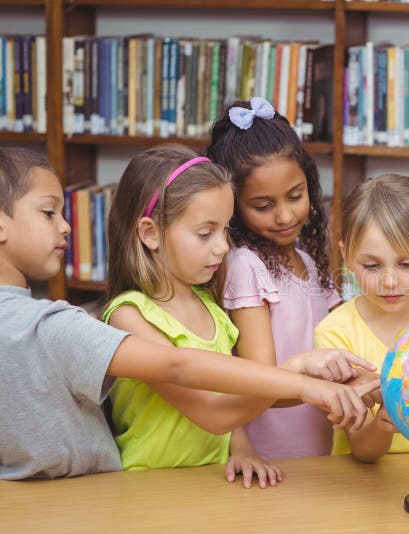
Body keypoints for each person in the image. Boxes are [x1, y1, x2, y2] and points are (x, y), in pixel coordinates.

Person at [0, 146, 378, 482]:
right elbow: (209, 407)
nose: (222, 247)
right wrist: (297, 376)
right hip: (148, 487)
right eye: (205, 234)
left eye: (226, 230)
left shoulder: (212, 308)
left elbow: (226, 402)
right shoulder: (129, 315)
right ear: (150, 234)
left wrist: (242, 448)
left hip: (207, 483)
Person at [207, 98, 343, 460]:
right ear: (234, 206)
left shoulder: (306, 260)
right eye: (264, 206)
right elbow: (260, 383)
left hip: (319, 450)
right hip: (272, 457)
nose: (285, 216)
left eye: (296, 196)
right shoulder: (245, 266)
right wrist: (321, 389)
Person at [313, 175, 409, 465]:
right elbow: (363, 451)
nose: (390, 281)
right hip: (364, 487)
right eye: (372, 265)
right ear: (347, 257)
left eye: (406, 264)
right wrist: (386, 420)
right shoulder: (335, 335)